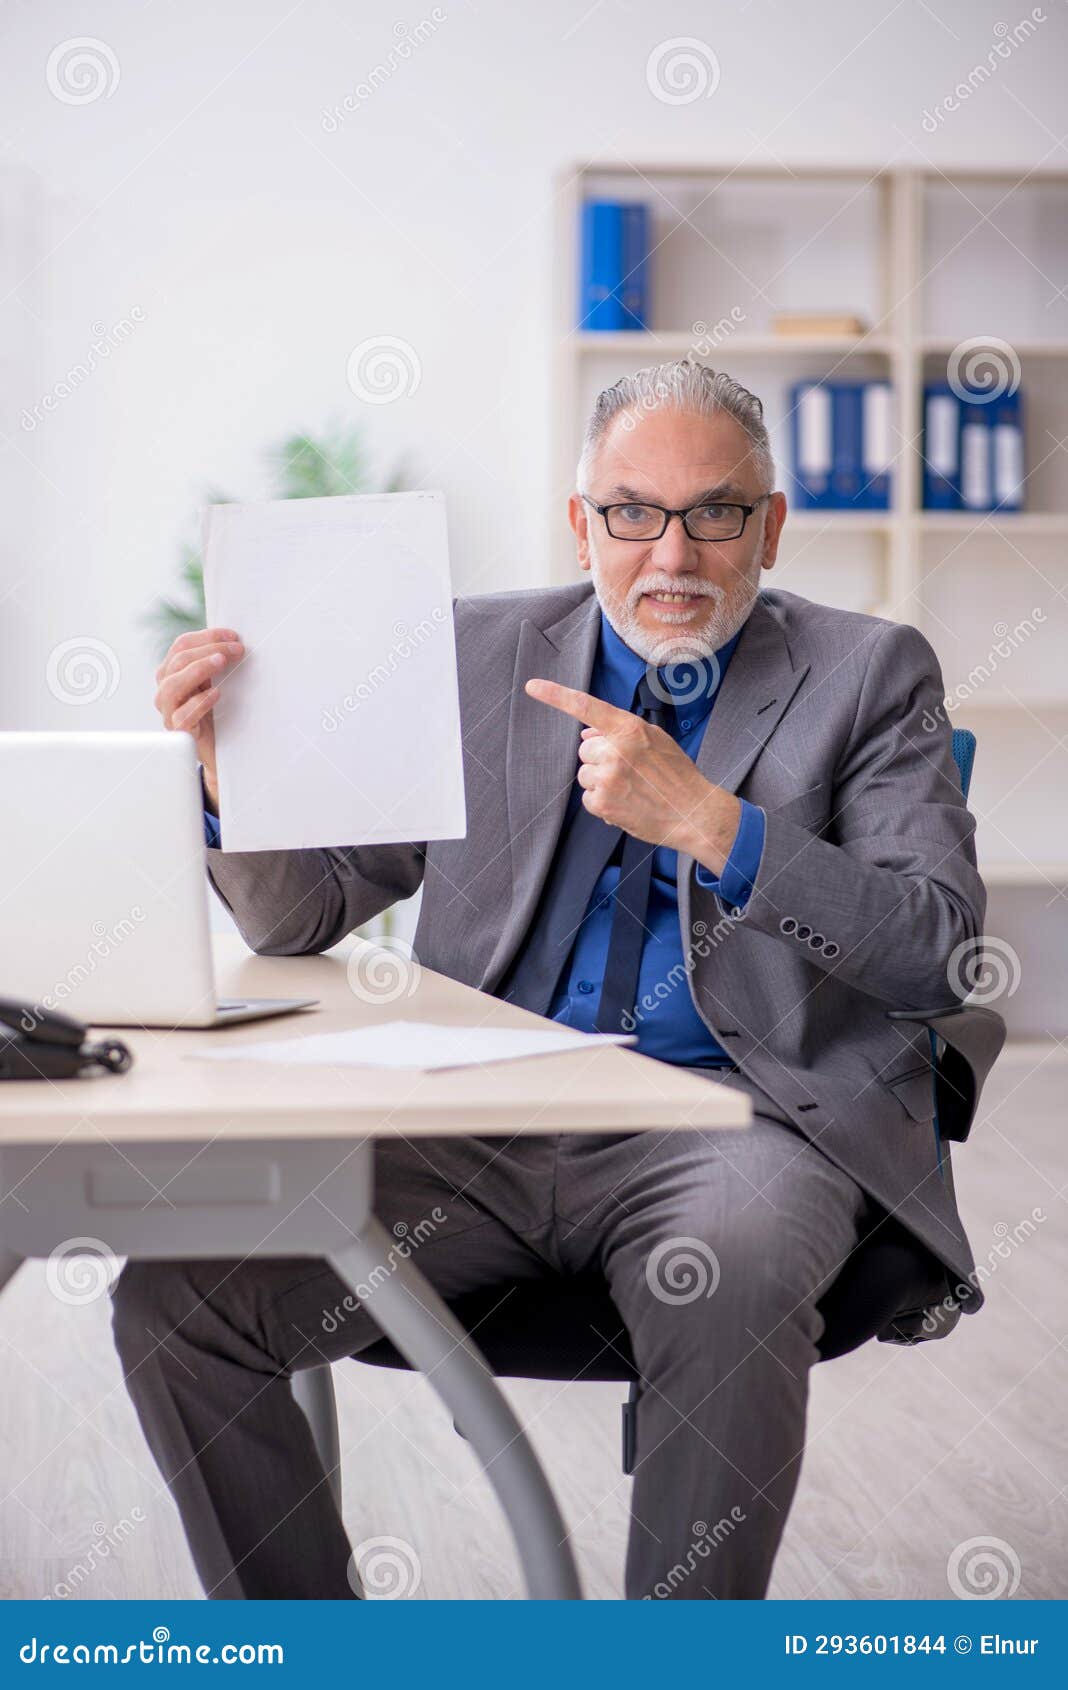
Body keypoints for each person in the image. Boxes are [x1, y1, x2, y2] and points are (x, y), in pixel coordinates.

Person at [112, 360, 986, 1599]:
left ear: (771, 525)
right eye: (632, 511)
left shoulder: (869, 672)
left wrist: (717, 825)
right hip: (473, 1122)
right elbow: (305, 913)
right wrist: (225, 775)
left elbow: (938, 943)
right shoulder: (476, 654)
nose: (670, 553)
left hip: (734, 1123)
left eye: (715, 512)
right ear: (582, 524)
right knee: (182, 1297)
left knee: (730, 1273)